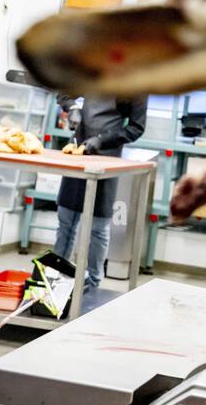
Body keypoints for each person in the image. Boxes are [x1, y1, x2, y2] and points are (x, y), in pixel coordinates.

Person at [52, 93, 147, 291]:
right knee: (66, 218)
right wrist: (73, 109)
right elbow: (63, 92)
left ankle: (94, 282)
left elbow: (136, 128)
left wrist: (102, 140)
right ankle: (54, 275)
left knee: (98, 226)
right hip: (77, 152)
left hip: (107, 158)